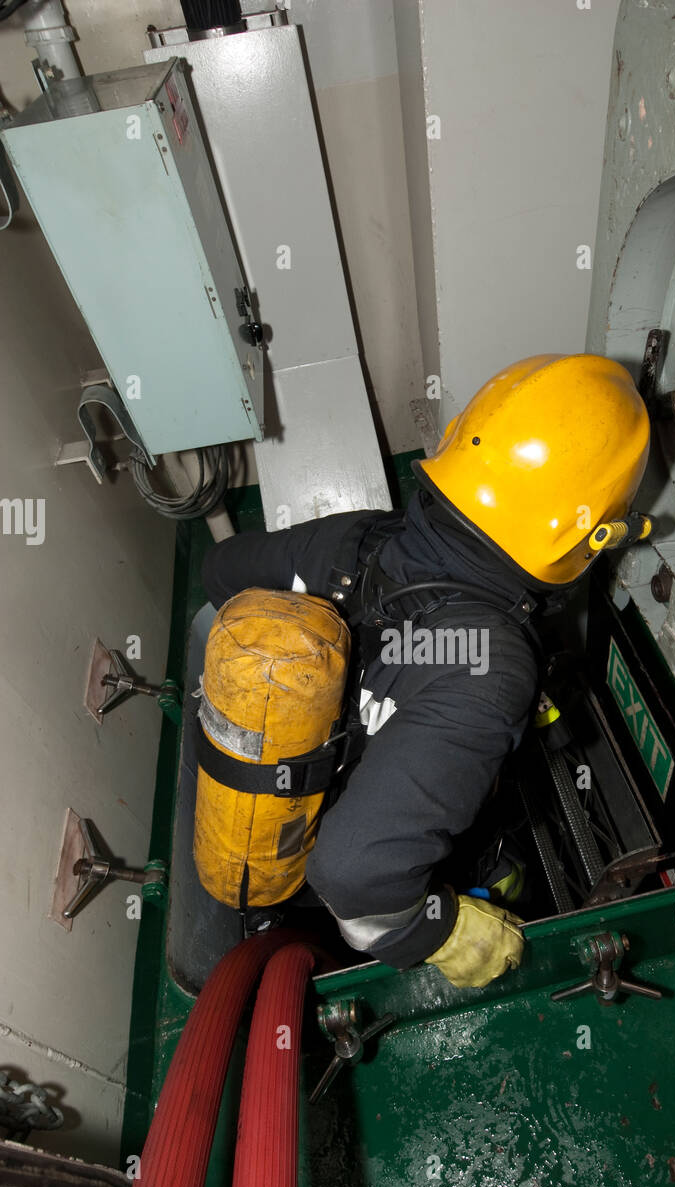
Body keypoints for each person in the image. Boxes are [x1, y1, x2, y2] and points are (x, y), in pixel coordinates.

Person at [201, 353, 650, 988]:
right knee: (488, 869)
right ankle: (487, 871)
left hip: (275, 815)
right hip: (327, 880)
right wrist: (438, 932)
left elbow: (219, 572)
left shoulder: (354, 541)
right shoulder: (493, 667)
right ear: (587, 537)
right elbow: (355, 872)